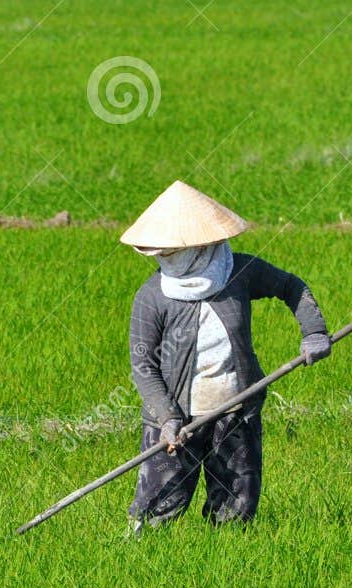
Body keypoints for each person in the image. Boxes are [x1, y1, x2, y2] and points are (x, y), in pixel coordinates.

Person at [122, 181, 330, 529]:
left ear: (199, 246)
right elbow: (143, 365)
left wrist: (313, 331)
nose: (163, 258)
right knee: (159, 504)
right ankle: (135, 556)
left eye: (171, 251)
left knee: (236, 507)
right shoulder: (152, 297)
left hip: (236, 409)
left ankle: (229, 559)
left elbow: (291, 286)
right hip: (178, 420)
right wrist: (167, 417)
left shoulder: (239, 272)